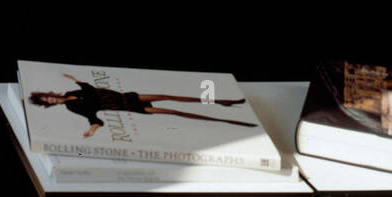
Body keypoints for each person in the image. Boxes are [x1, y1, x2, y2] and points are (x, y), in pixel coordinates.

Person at [29, 73, 257, 139]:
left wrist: (74, 80)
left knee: (170, 96)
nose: (51, 100)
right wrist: (92, 130)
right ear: (49, 105)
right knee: (175, 112)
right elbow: (94, 117)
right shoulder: (72, 108)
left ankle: (223, 102)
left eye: (48, 97)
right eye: (47, 103)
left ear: (50, 95)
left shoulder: (71, 93)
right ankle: (227, 119)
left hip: (128, 95)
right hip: (128, 106)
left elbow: (89, 88)